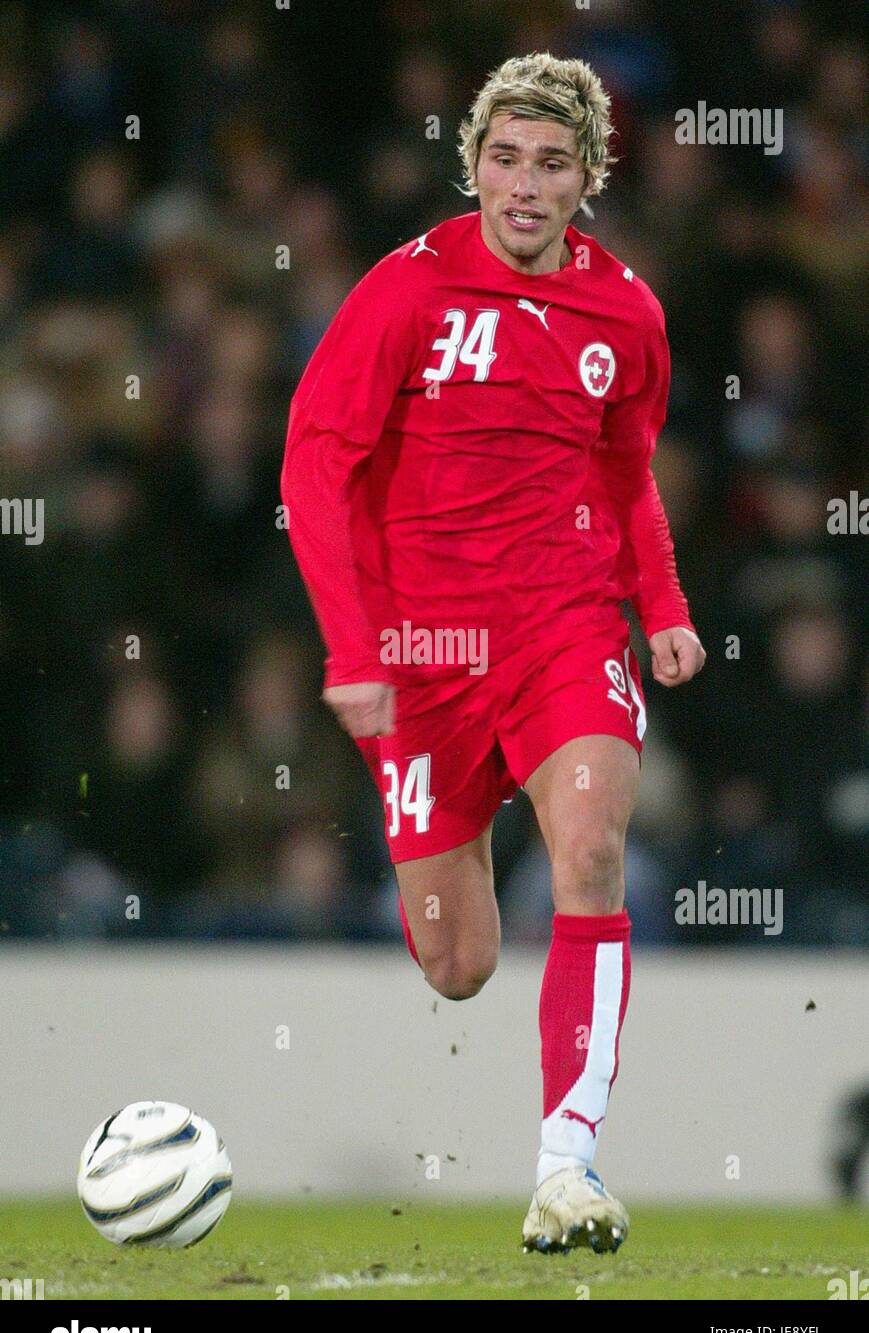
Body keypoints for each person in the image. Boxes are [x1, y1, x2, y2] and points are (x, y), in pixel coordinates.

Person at [281, 52, 705, 1254]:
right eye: (503, 159)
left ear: (588, 178)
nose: (523, 185)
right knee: (457, 961)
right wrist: (351, 650)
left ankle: (564, 1163)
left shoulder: (626, 312)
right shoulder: (402, 291)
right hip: (420, 651)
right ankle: (459, 842)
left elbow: (624, 472)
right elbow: (315, 465)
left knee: (591, 844)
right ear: (472, 165)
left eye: (551, 163)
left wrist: (660, 604)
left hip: (561, 626)